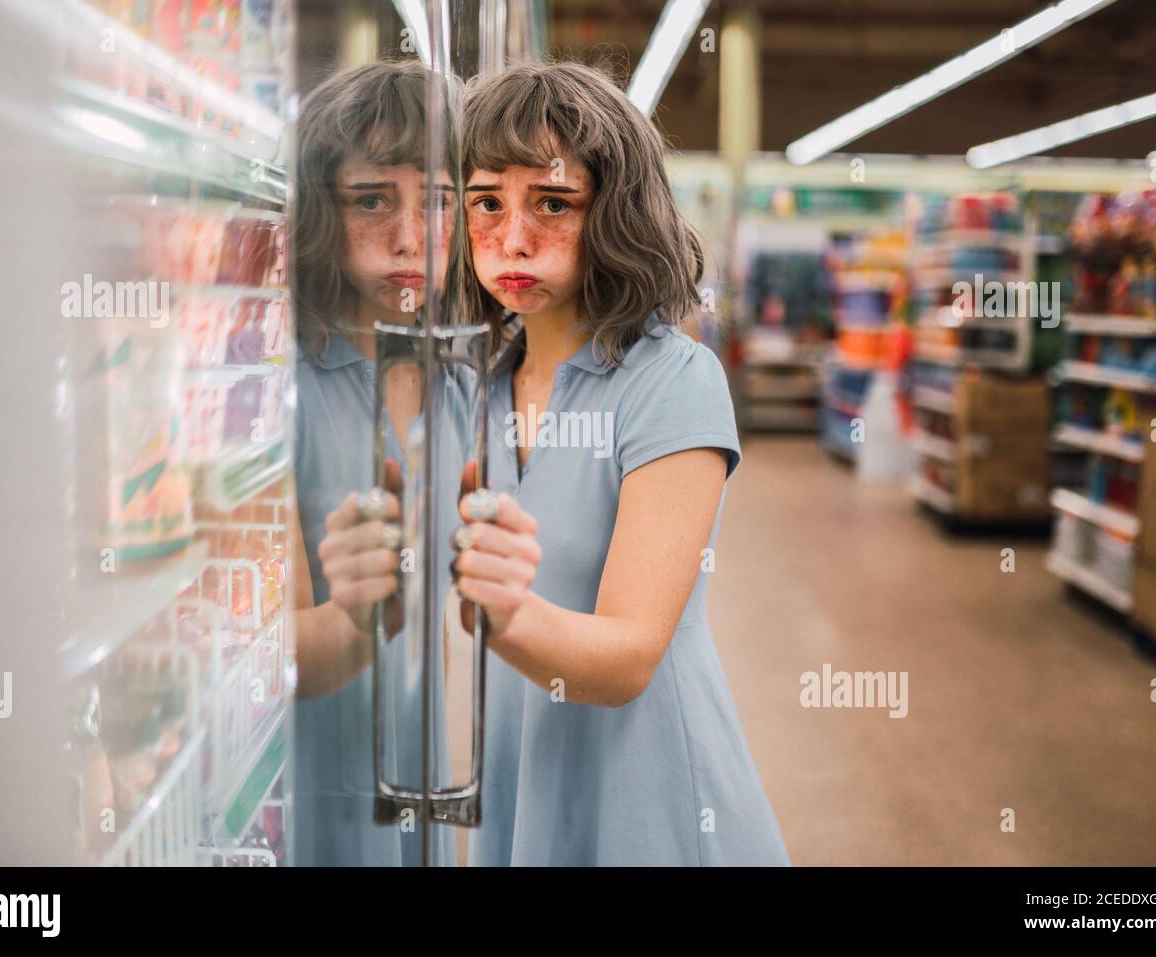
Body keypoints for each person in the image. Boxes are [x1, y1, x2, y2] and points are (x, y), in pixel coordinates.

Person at [444, 60, 793, 865]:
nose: (513, 239)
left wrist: (499, 607)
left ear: (614, 214)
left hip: (648, 786)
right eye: (486, 201)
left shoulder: (673, 381)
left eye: (554, 202)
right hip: (524, 764)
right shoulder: (480, 388)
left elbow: (632, 651)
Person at [289, 59, 462, 866]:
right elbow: (270, 654)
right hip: (313, 794)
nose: (408, 236)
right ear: (321, 211)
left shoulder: (468, 381)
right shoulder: (279, 390)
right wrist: (356, 616)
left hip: (422, 781)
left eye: (436, 200)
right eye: (371, 200)